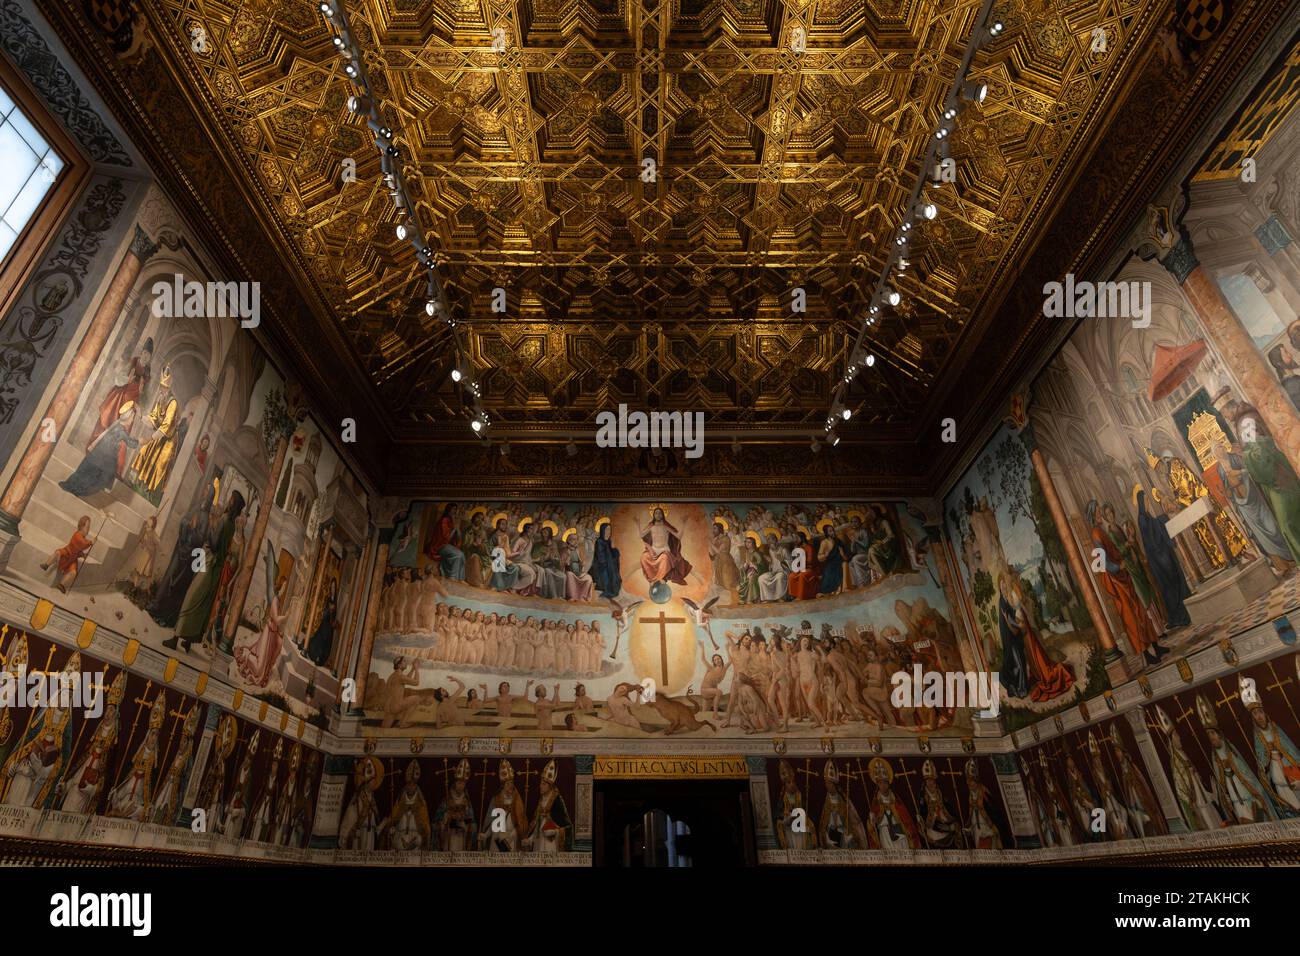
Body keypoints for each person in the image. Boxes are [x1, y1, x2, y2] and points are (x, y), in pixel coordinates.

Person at [1087, 499, 1163, 663]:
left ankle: (1156, 646)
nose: (1101, 515)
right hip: (1117, 582)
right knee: (1131, 618)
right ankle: (1146, 655)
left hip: (1124, 578)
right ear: (1093, 516)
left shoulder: (1101, 531)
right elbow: (1103, 563)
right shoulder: (1096, 534)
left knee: (1141, 613)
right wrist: (1118, 567)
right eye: (1099, 513)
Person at [60, 401, 139, 497]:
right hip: (103, 458)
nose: (132, 421)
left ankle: (75, 487)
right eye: (132, 418)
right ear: (128, 418)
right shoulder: (121, 430)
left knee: (88, 472)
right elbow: (132, 443)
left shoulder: (117, 425)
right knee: (99, 477)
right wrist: (140, 441)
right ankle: (79, 490)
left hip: (99, 454)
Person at [40, 516, 96, 593]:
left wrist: (83, 555)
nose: (88, 530)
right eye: (87, 527)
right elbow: (82, 544)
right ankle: (46, 564)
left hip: (72, 559)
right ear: (82, 526)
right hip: (66, 553)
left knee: (73, 572)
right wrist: (90, 542)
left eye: (89, 527)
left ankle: (61, 585)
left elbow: (78, 550)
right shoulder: (77, 535)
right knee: (57, 553)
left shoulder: (83, 538)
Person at [639, 507, 691, 586]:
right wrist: (637, 524)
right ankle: (651, 579)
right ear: (653, 515)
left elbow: (678, 536)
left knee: (665, 558)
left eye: (660, 513)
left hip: (664, 551)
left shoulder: (666, 527)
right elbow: (642, 535)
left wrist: (683, 523)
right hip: (654, 551)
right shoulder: (651, 527)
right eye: (656, 513)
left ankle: (660, 578)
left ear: (662, 515)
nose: (658, 515)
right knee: (644, 557)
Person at [425, 504, 465, 581]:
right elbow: (446, 537)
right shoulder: (444, 520)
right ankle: (452, 577)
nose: (455, 512)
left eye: (455, 510)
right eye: (453, 509)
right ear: (448, 510)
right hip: (439, 546)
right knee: (458, 555)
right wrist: (454, 529)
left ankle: (460, 579)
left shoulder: (451, 521)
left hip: (447, 545)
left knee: (462, 555)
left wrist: (458, 530)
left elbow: (457, 539)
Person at [590, 521, 622, 598]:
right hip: (600, 565)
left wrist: (614, 552)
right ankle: (608, 590)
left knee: (613, 568)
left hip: (607, 563)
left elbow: (610, 551)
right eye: (607, 530)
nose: (609, 532)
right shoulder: (599, 541)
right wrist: (609, 560)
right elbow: (600, 557)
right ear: (603, 530)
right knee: (607, 571)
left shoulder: (608, 541)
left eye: (610, 530)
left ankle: (613, 588)